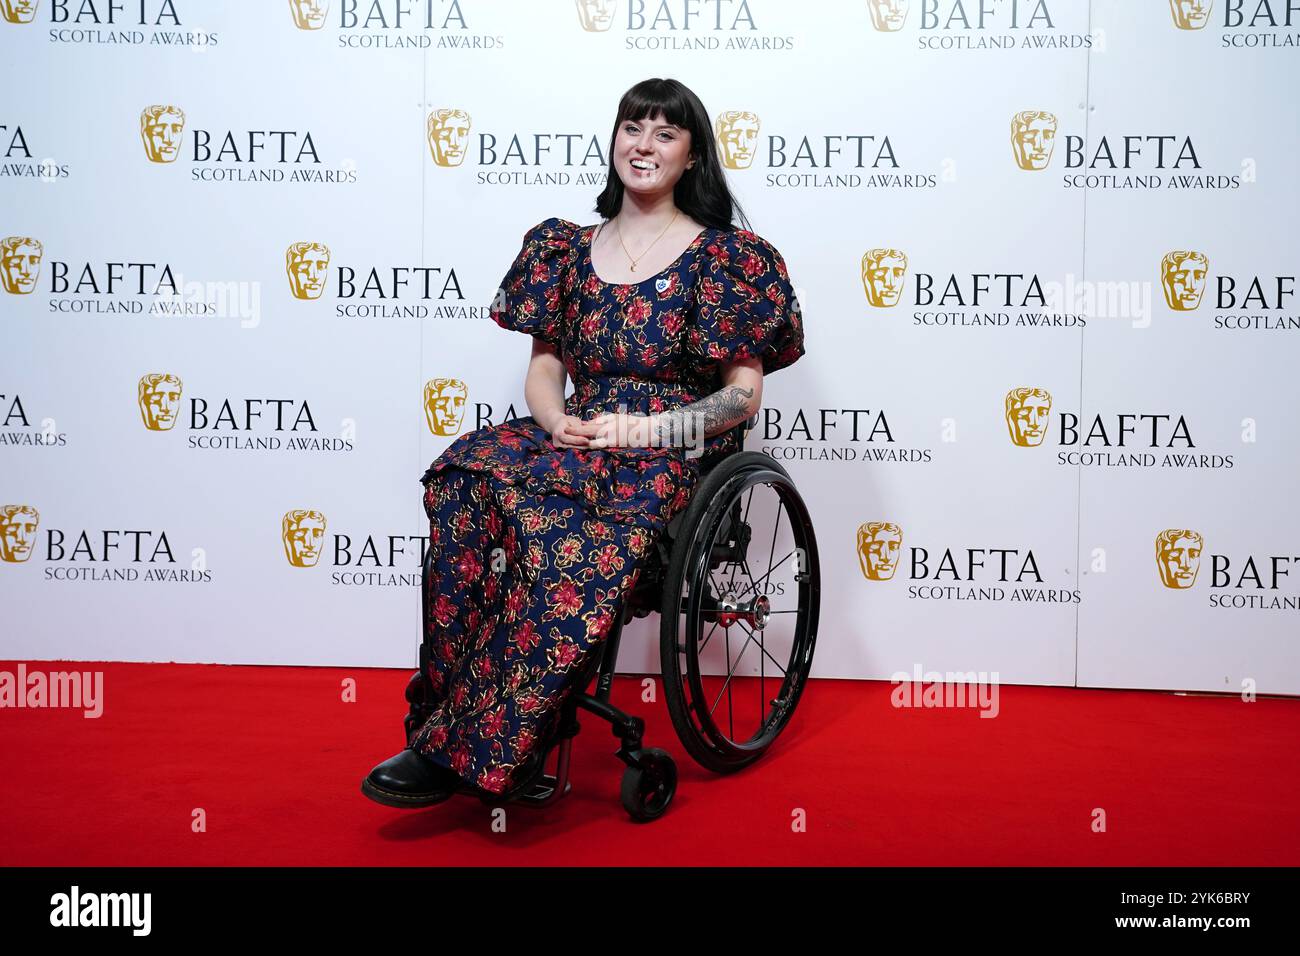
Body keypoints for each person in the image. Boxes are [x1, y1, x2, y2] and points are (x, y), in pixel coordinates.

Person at [361, 77, 806, 809]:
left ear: (692, 157)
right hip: (576, 433)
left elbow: (744, 395)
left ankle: (497, 739)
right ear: (614, 140)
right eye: (634, 127)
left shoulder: (730, 259)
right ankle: (448, 727)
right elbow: (544, 369)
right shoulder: (564, 248)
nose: (645, 144)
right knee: (465, 484)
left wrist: (651, 429)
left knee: (553, 529)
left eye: (666, 133)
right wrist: (550, 418)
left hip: (666, 450)